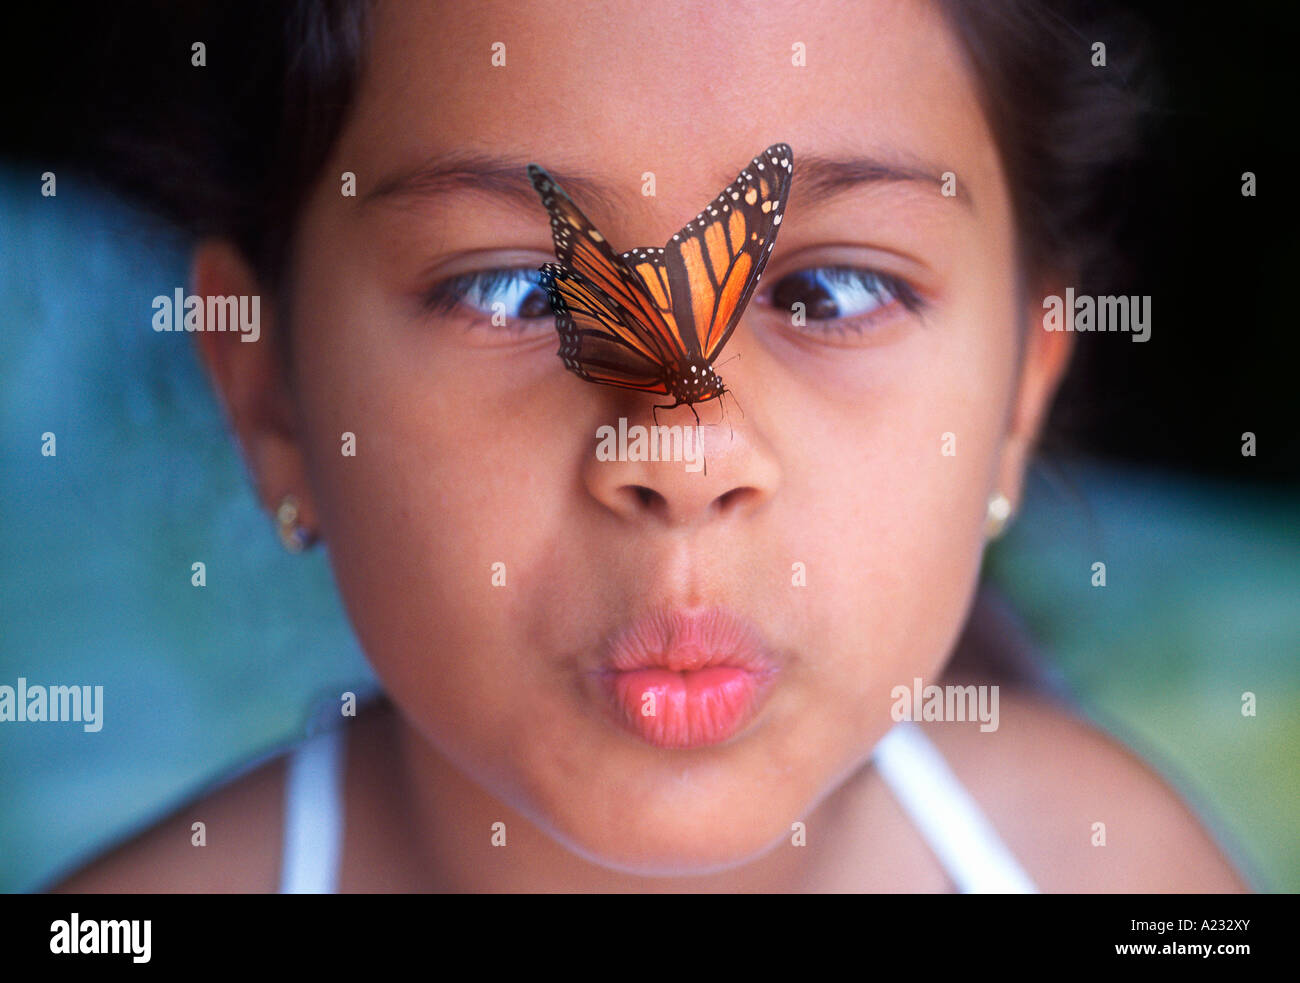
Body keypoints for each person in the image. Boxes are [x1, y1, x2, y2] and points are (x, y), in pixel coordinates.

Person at [54, 0, 1246, 892]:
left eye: (830, 291)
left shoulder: (1109, 868)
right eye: (522, 292)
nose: (682, 451)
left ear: (1016, 399)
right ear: (272, 396)